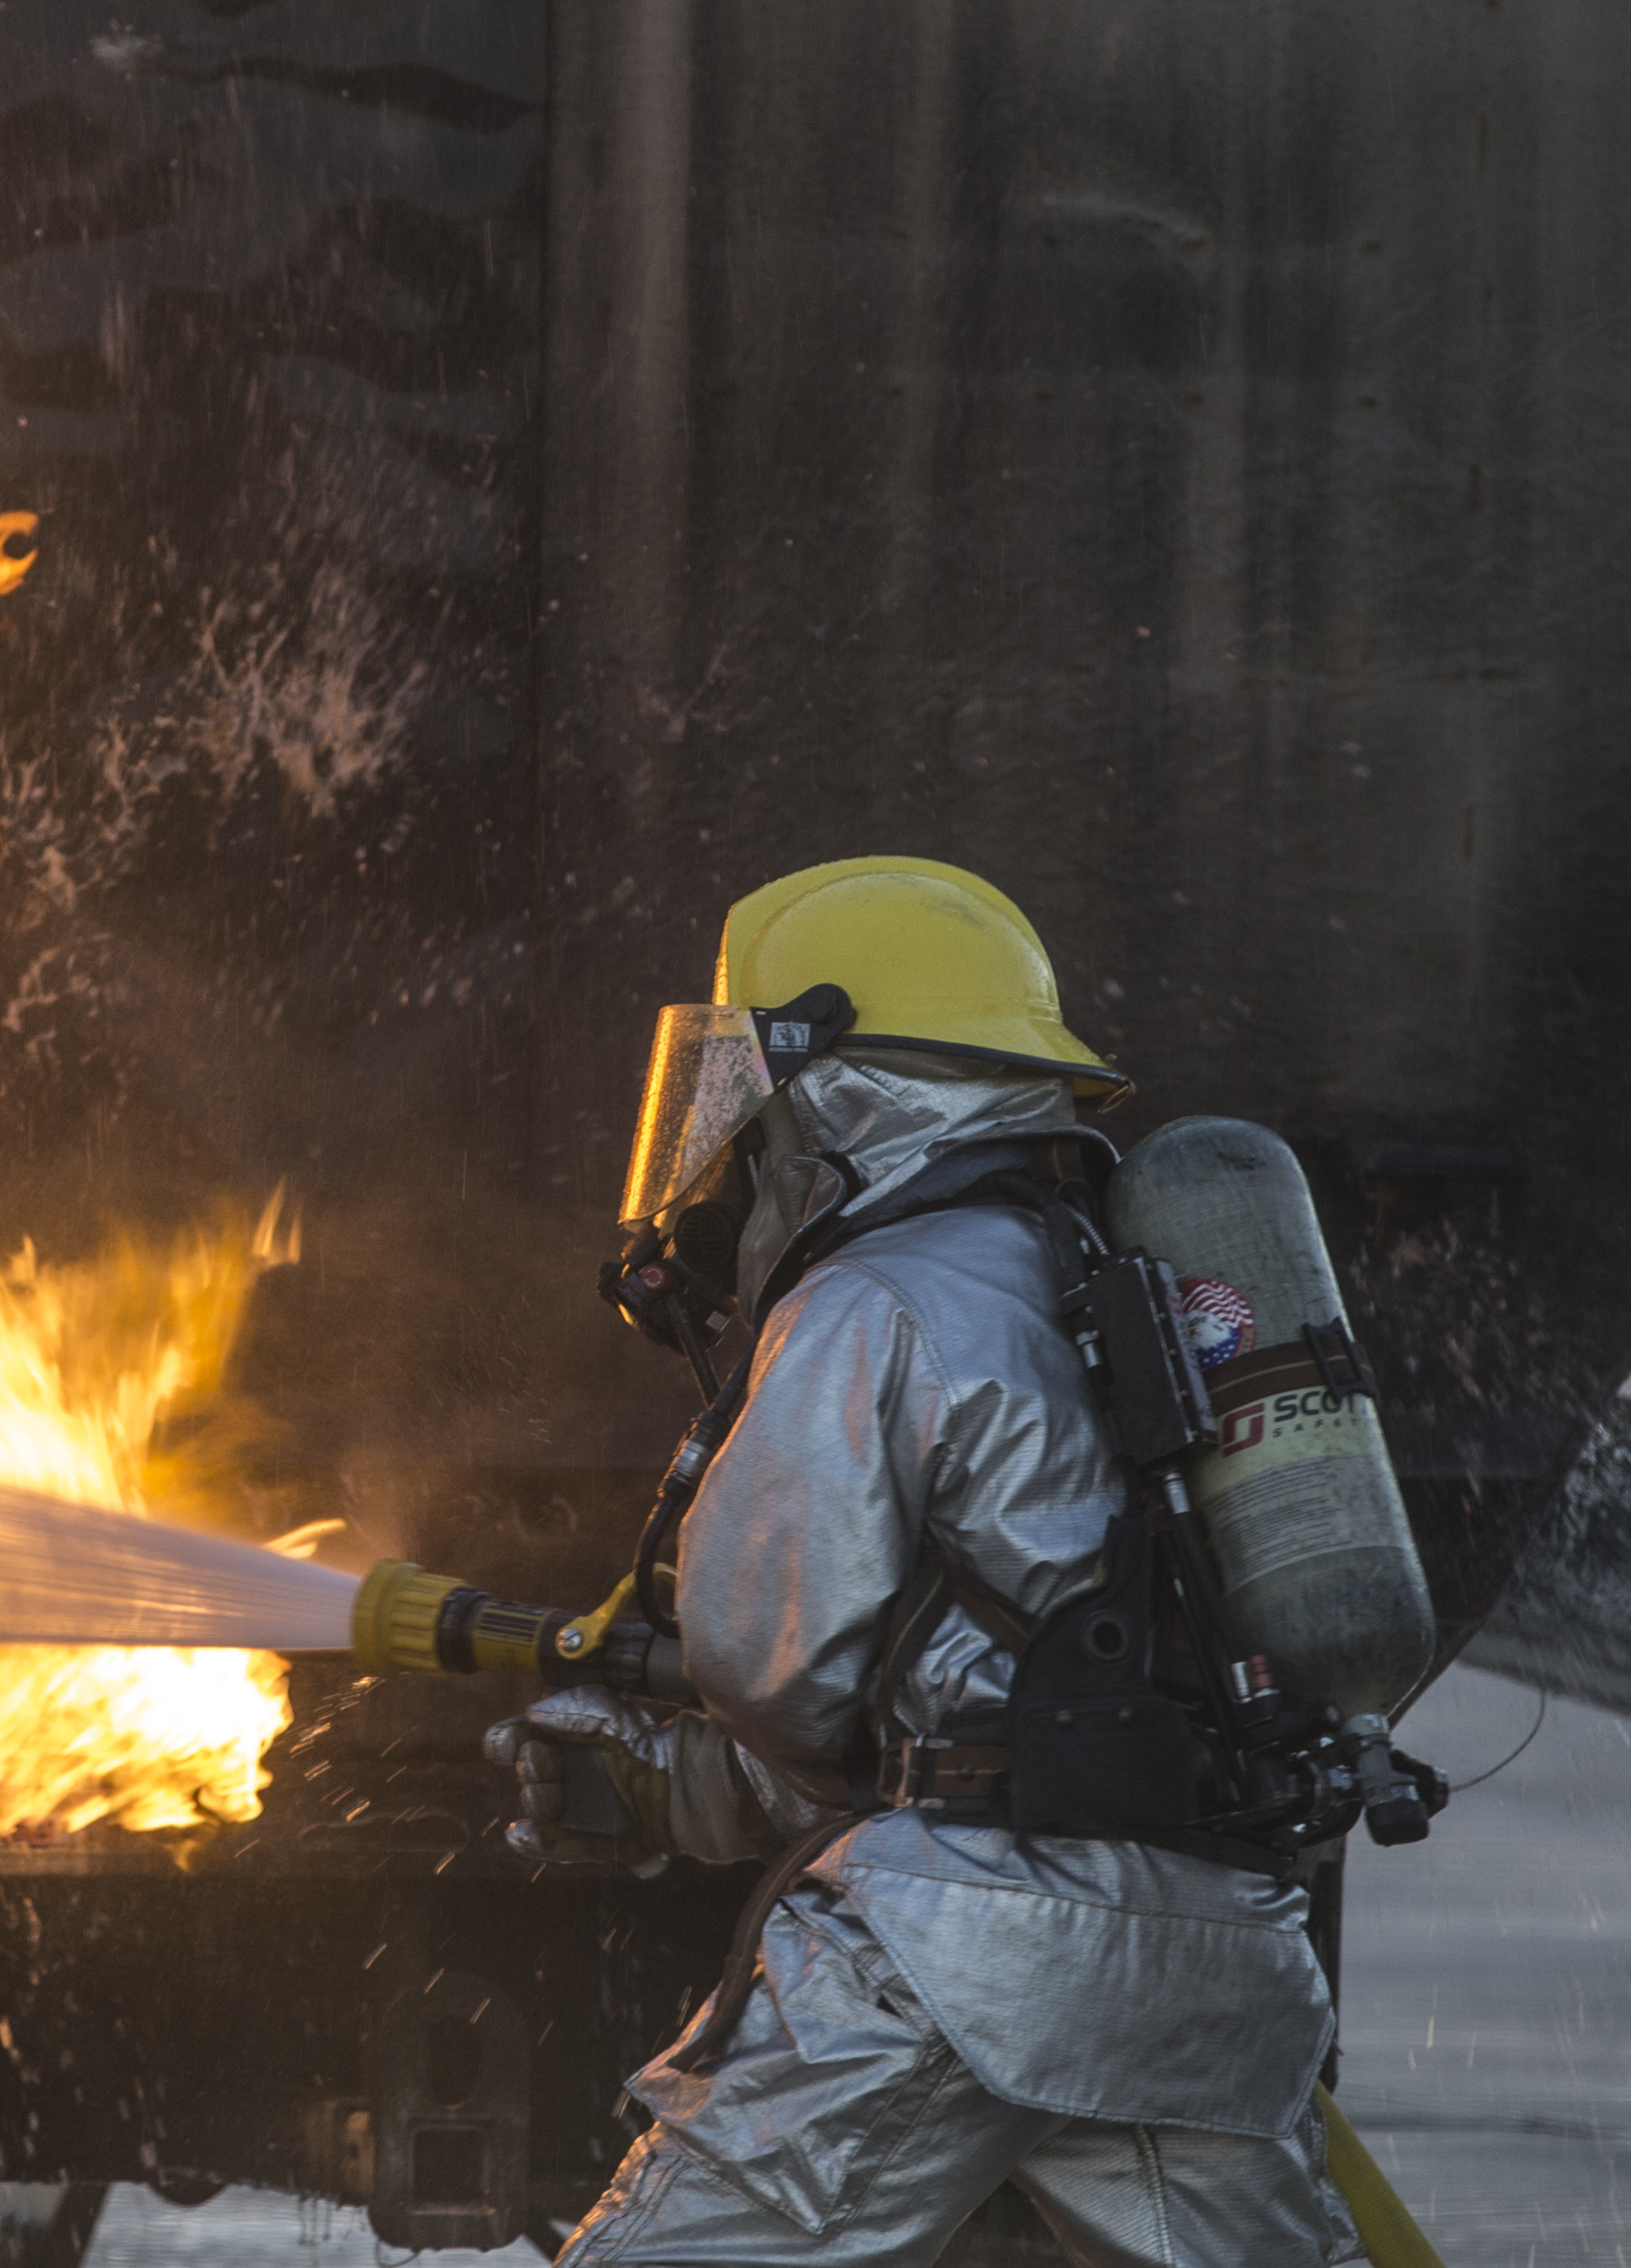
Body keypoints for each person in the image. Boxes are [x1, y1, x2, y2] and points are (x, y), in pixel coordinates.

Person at [519, 856, 1362, 2265]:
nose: (725, 1140)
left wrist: (661, 1776)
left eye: (749, 1088)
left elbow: (769, 1668)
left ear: (844, 1091)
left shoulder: (871, 1301)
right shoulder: (1115, 1276)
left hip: (964, 1954)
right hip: (1215, 1953)